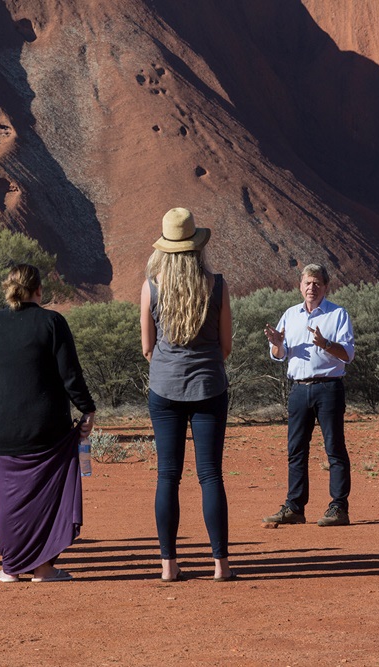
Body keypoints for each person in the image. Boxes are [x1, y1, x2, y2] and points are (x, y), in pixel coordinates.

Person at [0, 264, 96, 583]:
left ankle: (10, 567)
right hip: (45, 426)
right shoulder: (52, 322)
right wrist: (87, 409)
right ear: (39, 290)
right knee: (46, 496)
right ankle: (43, 568)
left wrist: (2, 388)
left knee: (5, 499)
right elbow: (70, 375)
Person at [140, 207, 234, 582]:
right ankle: (221, 566)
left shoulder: (151, 287)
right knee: (210, 476)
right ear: (196, 246)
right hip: (210, 386)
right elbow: (226, 346)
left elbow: (147, 347)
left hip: (164, 389)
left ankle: (168, 566)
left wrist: (169, 366)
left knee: (168, 476)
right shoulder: (218, 285)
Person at [263, 263, 355, 527]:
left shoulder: (337, 314)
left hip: (328, 388)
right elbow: (279, 355)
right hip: (299, 390)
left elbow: (348, 355)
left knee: (334, 449)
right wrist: (278, 345)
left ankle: (339, 508)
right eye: (307, 282)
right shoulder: (290, 315)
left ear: (326, 287)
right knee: (296, 450)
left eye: (317, 283)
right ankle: (295, 507)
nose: (311, 287)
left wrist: (325, 344)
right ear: (300, 286)